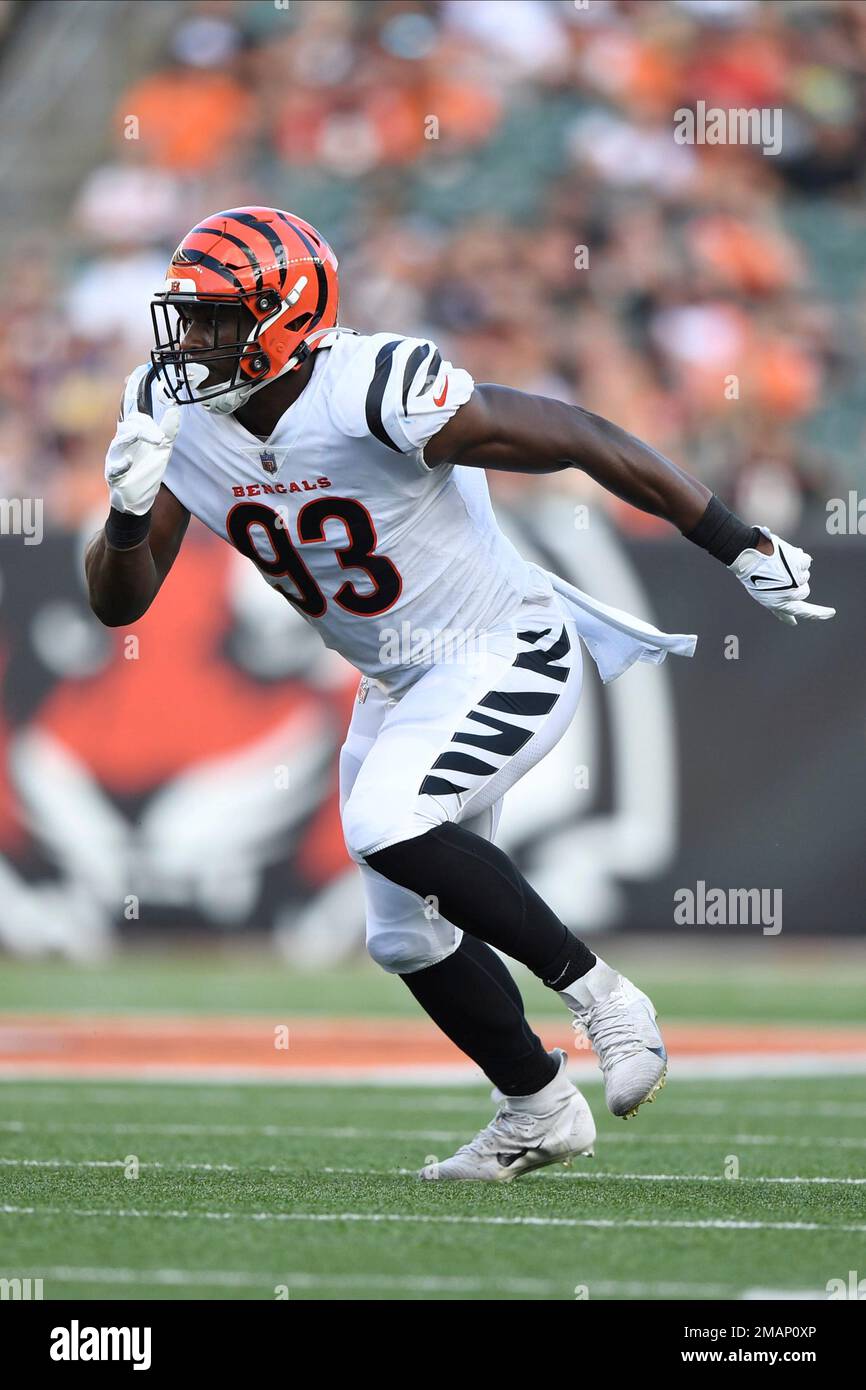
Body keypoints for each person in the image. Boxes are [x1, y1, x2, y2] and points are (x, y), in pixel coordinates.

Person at [86, 207, 834, 1181]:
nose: (188, 340)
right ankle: (537, 1106)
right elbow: (119, 602)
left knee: (386, 819)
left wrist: (734, 541)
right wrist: (126, 511)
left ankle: (604, 997)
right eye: (184, 316)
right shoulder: (172, 408)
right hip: (398, 680)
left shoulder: (373, 386)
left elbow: (575, 434)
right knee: (403, 936)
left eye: (213, 318)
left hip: (501, 645)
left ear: (284, 317)